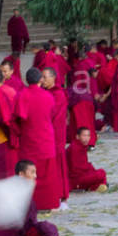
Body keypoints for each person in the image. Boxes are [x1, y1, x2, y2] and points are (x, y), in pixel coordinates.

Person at [12, 68, 61, 212]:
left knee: (28, 173)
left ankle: (30, 205)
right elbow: (52, 114)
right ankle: (49, 203)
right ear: (40, 80)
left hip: (28, 139)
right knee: (48, 174)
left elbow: (15, 119)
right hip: (46, 138)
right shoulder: (48, 96)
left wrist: (20, 132)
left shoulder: (21, 95)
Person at [0, 160, 59, 236]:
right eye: (32, 172)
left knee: (47, 228)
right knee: (46, 229)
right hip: (14, 234)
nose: (35, 176)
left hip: (20, 231)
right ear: (21, 174)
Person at [39, 66, 70, 208]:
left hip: (56, 135)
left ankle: (62, 196)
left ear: (53, 78)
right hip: (45, 134)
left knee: (59, 165)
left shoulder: (58, 94)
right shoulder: (45, 92)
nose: (43, 80)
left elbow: (53, 115)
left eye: (45, 77)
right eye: (42, 77)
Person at [67, 126, 108, 192]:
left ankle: (94, 186)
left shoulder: (81, 146)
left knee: (98, 172)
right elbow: (76, 170)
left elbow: (84, 164)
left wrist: (90, 169)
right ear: (77, 137)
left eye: (88, 136)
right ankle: (95, 186)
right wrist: (89, 171)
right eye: (84, 135)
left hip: (82, 176)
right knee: (101, 173)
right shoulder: (74, 148)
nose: (86, 138)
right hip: (75, 180)